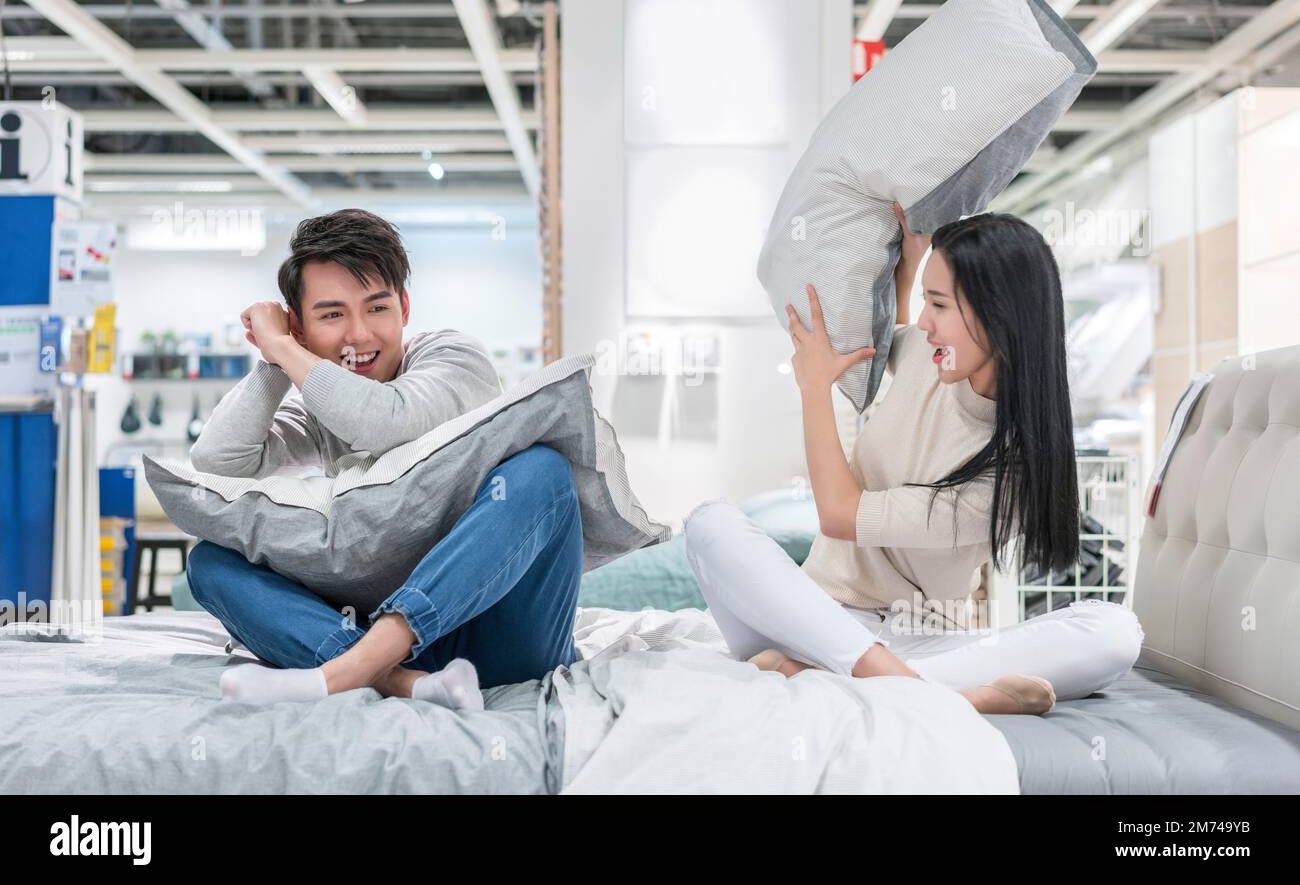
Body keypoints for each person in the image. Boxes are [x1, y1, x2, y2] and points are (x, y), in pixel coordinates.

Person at [683, 203, 1145, 715]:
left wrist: (814, 390)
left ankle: (839, 682)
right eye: (926, 302)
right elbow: (892, 341)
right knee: (709, 524)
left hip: (919, 639)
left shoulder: (1011, 475)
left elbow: (841, 516)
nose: (925, 322)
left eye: (940, 305)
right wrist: (908, 271)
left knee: (1114, 632)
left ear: (998, 317)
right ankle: (932, 696)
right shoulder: (935, 352)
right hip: (816, 623)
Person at [185, 209, 584, 708]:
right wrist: (274, 361)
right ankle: (402, 681)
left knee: (543, 471)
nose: (360, 335)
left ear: (405, 307)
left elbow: (384, 420)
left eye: (377, 308)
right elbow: (217, 466)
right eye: (332, 315)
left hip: (502, 631)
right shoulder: (317, 409)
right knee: (209, 560)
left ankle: (347, 673)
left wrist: (286, 346)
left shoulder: (453, 358)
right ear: (302, 330)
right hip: (382, 641)